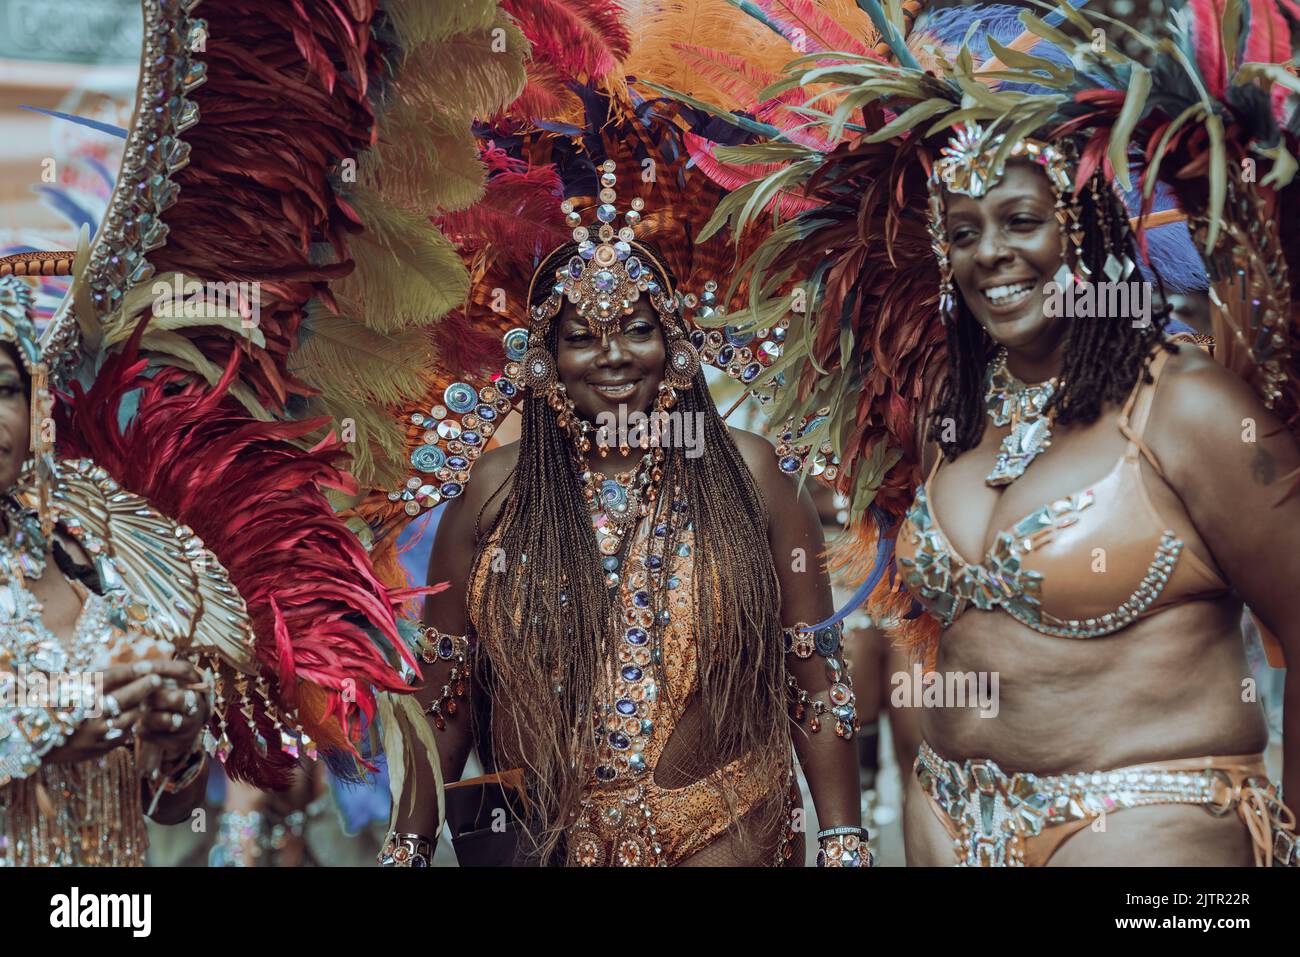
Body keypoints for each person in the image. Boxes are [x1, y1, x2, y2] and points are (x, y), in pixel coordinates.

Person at [668, 0, 1300, 865]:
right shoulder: (952, 412)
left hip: (1145, 825)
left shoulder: (1186, 405)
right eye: (963, 234)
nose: (990, 254)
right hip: (947, 821)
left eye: (1022, 222)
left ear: (1085, 235)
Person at [382, 146, 866, 867]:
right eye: (581, 336)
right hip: (547, 840)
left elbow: (812, 669)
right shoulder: (494, 491)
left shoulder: (751, 471)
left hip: (728, 831)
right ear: (544, 361)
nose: (612, 355)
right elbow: (444, 694)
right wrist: (408, 846)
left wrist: (845, 838)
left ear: (675, 345)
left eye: (637, 328)